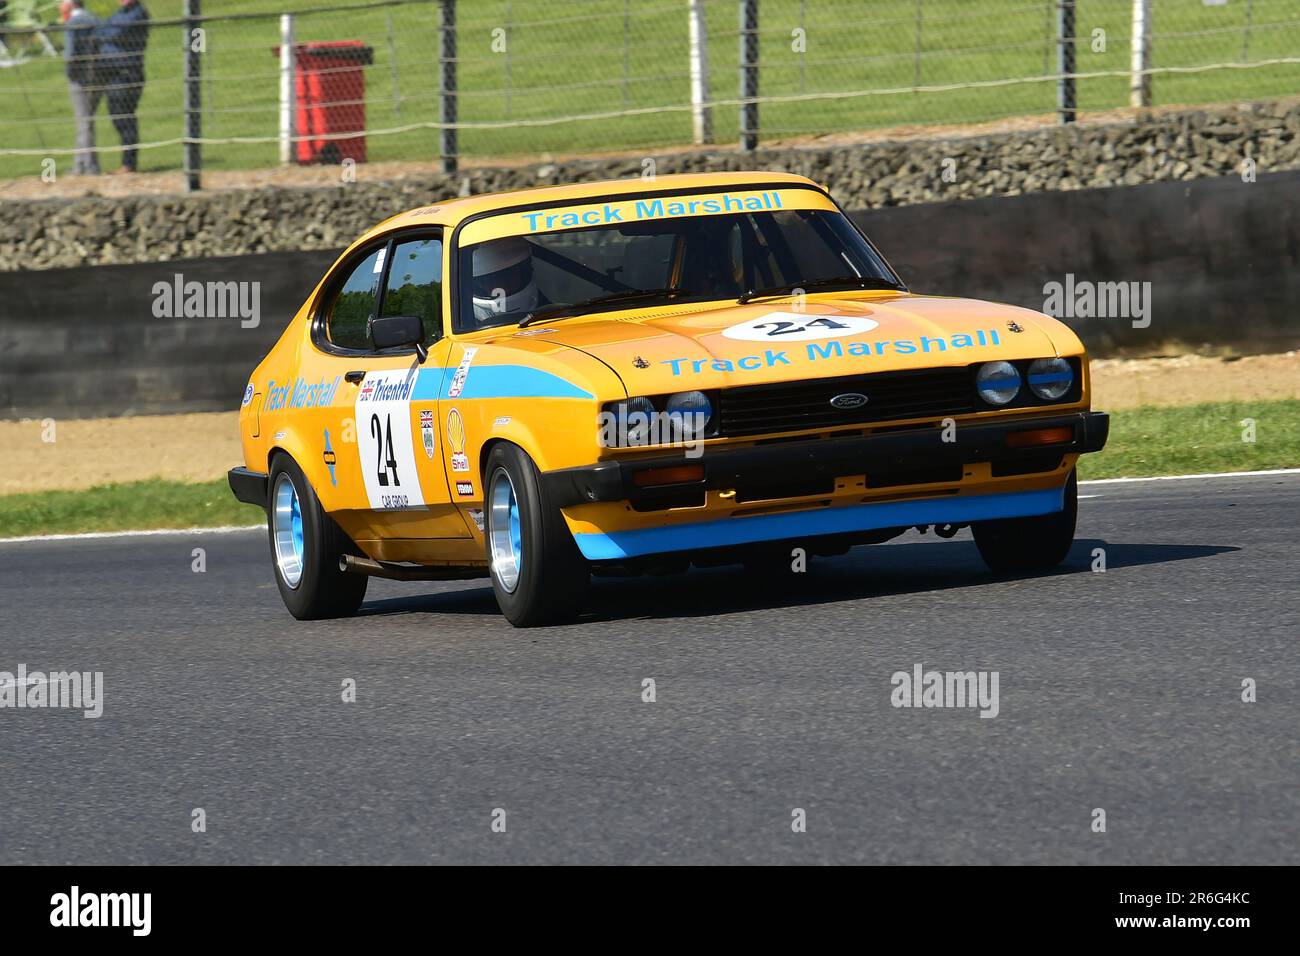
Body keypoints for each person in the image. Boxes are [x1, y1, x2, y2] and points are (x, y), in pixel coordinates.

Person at [96, 0, 148, 174]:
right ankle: (126, 162)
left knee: (125, 117)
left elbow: (115, 32)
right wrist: (103, 31)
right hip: (113, 73)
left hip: (127, 73)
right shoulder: (121, 12)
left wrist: (102, 32)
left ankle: (129, 164)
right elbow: (106, 29)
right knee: (117, 116)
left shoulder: (138, 13)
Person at [60, 0, 100, 176]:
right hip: (98, 75)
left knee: (83, 122)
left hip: (80, 78)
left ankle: (89, 166)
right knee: (86, 121)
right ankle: (80, 165)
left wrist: (70, 74)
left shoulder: (73, 24)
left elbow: (70, 55)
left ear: (70, 5)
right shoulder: (95, 19)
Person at [471, 237, 542, 323]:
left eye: (509, 276)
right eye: (491, 281)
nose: (504, 287)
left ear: (526, 272)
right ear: (476, 287)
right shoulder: (461, 324)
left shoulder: (552, 311)